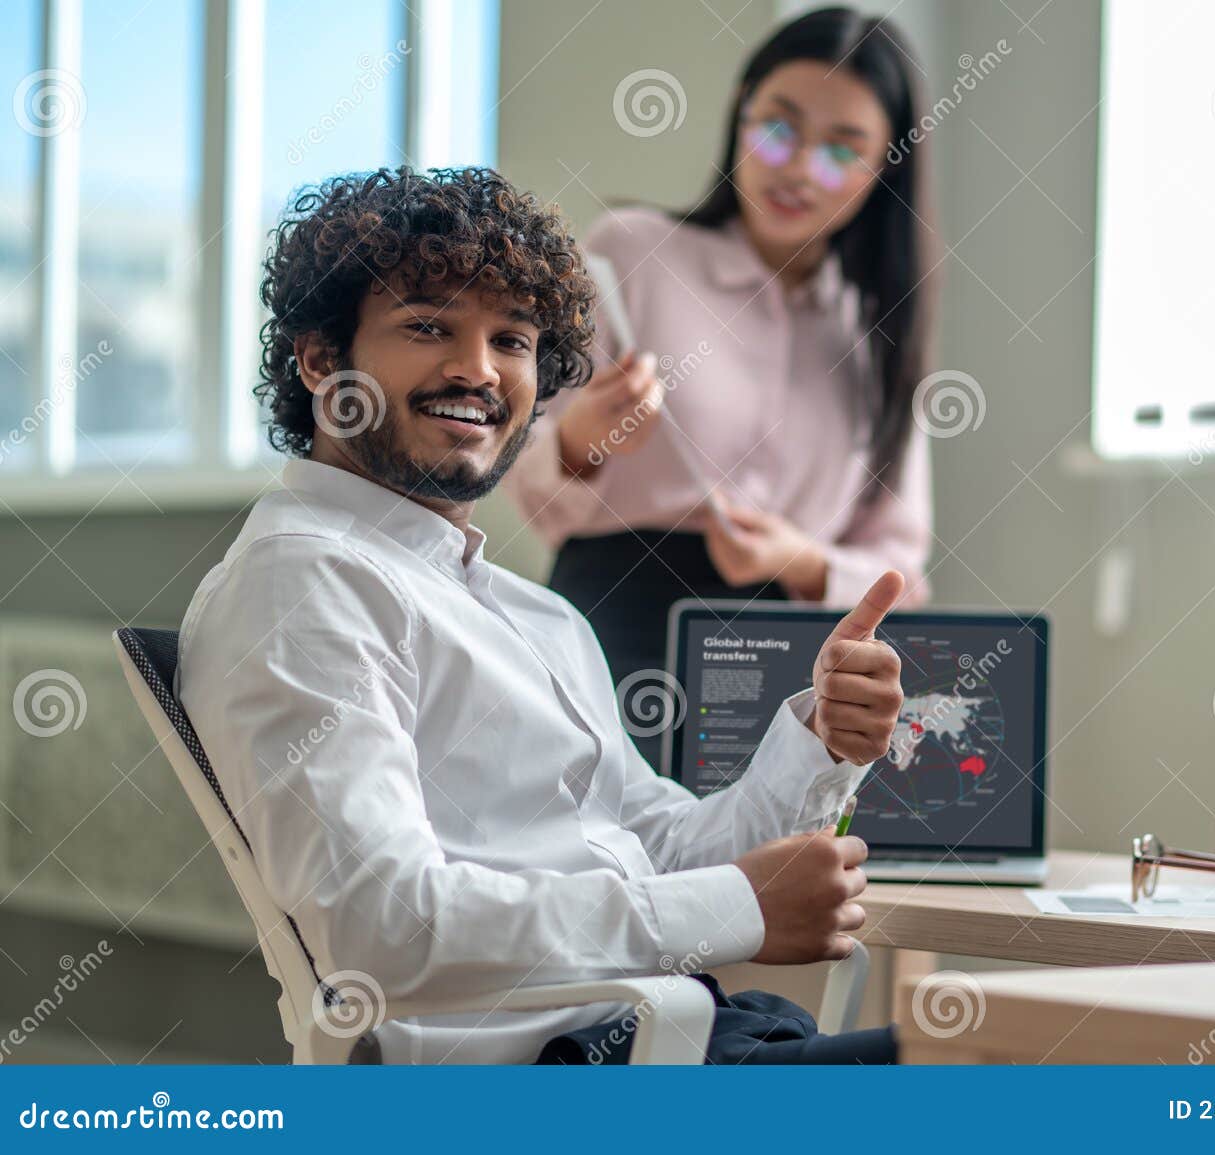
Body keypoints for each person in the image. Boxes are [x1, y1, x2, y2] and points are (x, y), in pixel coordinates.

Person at [177, 167, 907, 1064]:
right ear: (322, 358)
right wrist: (737, 908)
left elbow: (669, 847)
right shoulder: (303, 580)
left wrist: (825, 738)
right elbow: (382, 928)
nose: (478, 370)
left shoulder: (538, 615)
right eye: (427, 326)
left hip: (691, 1037)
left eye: (512, 339)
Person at [508, 6, 936, 704]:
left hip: (795, 663)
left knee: (785, 819)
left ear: (885, 169)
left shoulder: (877, 333)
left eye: (840, 150)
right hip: (612, 627)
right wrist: (584, 439)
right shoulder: (631, 252)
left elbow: (903, 573)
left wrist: (799, 560)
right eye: (777, 128)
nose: (797, 168)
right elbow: (525, 473)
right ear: (740, 115)